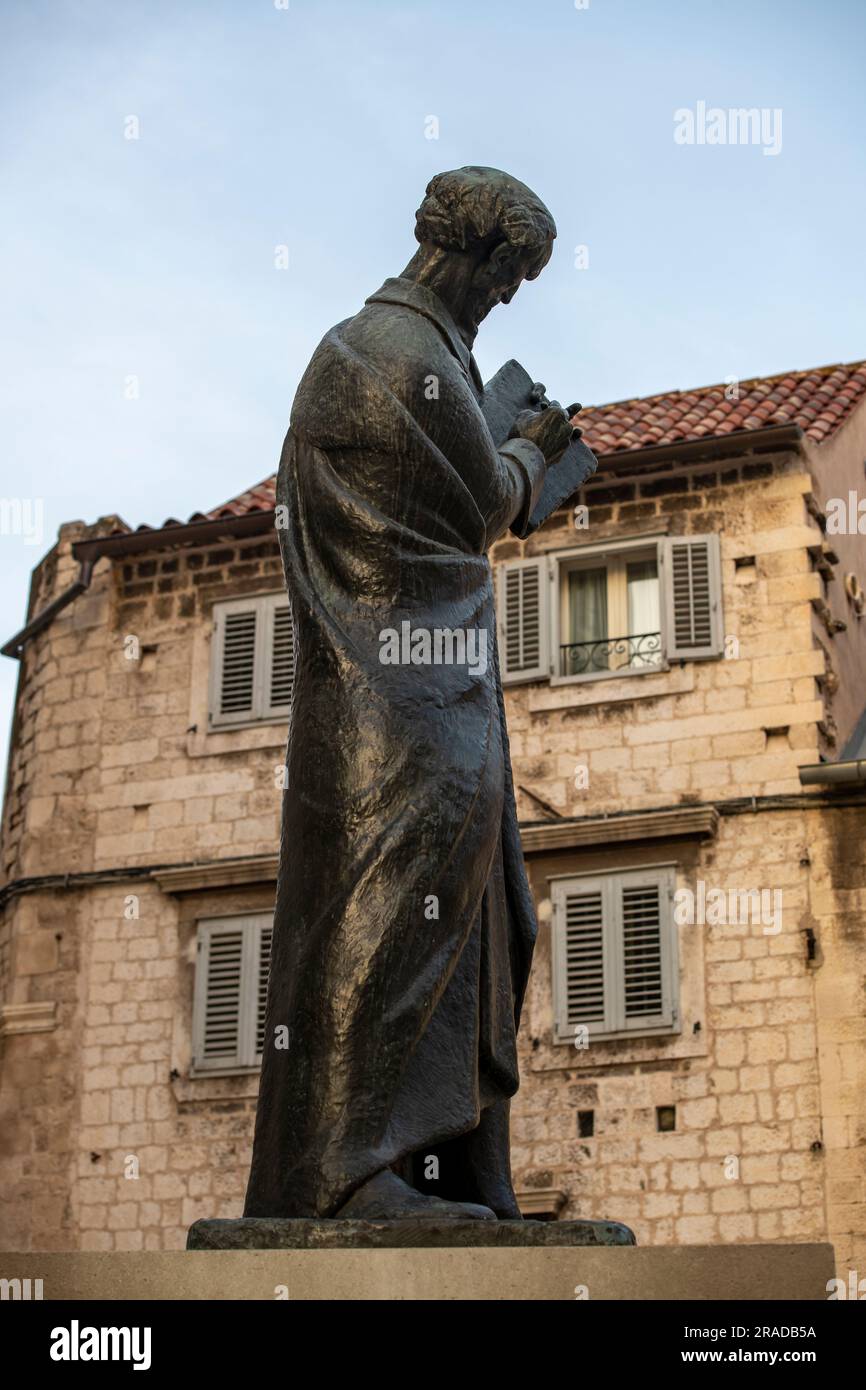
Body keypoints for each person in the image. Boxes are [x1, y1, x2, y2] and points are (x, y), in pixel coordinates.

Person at [244, 167, 574, 1221]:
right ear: (473, 253)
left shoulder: (416, 356)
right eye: (512, 275)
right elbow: (475, 501)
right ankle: (343, 1177)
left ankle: (449, 1161)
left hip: (438, 701)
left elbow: (430, 497)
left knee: (487, 923)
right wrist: (530, 448)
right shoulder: (388, 350)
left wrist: (493, 427)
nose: (509, 298)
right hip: (393, 714)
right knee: (385, 918)